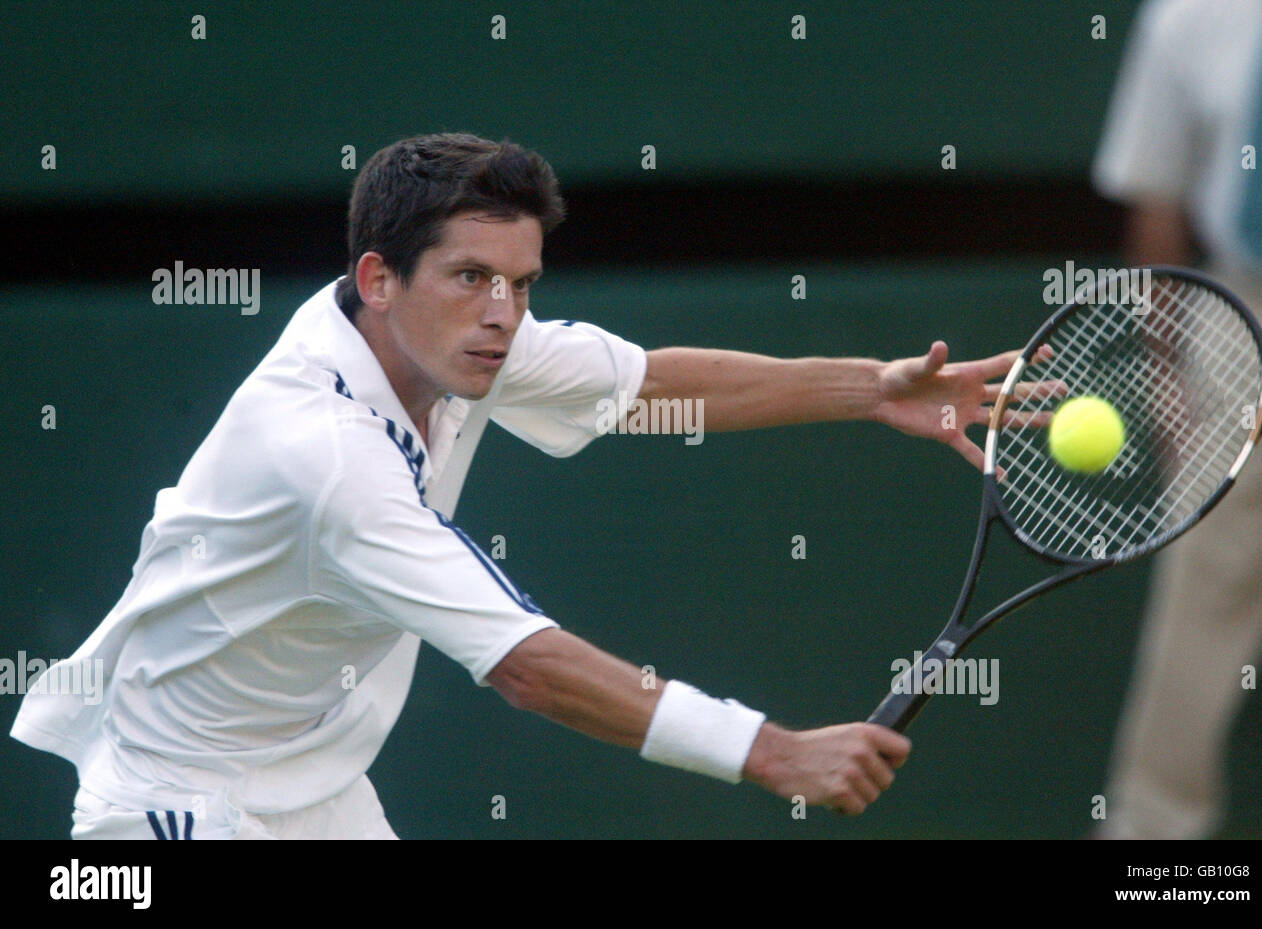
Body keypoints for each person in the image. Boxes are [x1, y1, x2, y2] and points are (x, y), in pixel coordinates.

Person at [12, 132, 1036, 839]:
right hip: (176, 809)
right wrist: (768, 751)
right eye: (470, 277)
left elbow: (646, 386)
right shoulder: (324, 454)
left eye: (522, 282)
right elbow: (526, 665)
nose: (503, 311)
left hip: (311, 791)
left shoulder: (465, 342)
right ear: (379, 279)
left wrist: (872, 388)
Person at [1092, 0, 1262, 838]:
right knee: (1199, 609)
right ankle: (1154, 856)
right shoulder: (1190, 17)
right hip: (1245, 316)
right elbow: (1157, 203)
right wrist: (1167, 382)